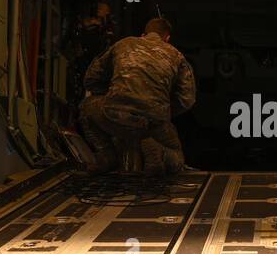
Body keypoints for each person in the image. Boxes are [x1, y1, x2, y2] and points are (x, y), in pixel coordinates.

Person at [80, 17, 196, 174]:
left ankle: (106, 156)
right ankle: (159, 152)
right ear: (167, 39)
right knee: (177, 158)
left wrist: (111, 94)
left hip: (115, 114)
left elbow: (91, 78)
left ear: (143, 34)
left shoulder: (123, 44)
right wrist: (163, 108)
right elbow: (187, 99)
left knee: (87, 108)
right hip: (154, 121)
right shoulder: (177, 55)